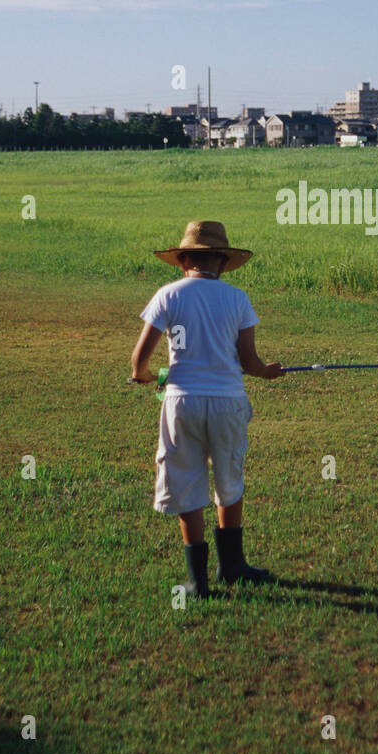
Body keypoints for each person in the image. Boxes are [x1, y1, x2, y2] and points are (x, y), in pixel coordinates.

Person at [130, 220, 284, 598]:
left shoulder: (168, 295)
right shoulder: (238, 299)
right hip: (228, 401)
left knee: (184, 481)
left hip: (181, 401)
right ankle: (232, 565)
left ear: (184, 260)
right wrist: (269, 372)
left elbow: (139, 362)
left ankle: (196, 580)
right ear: (221, 261)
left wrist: (148, 377)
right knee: (229, 479)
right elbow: (250, 363)